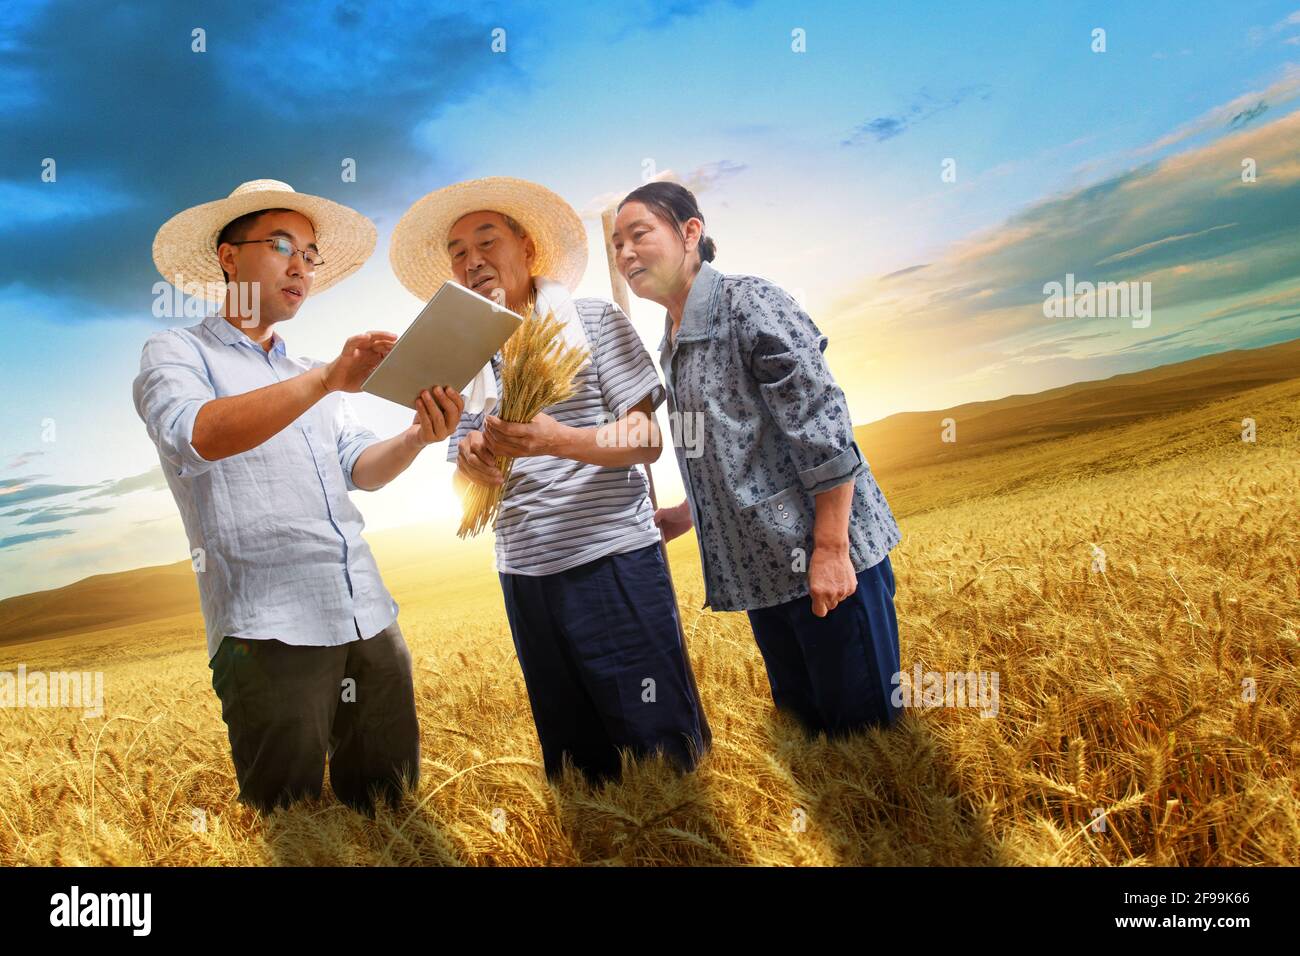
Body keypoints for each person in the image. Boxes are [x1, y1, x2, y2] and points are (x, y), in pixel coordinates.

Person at [134, 179, 464, 814]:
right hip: (268, 629)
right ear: (228, 257)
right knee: (294, 826)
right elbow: (195, 436)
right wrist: (325, 379)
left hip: (367, 614)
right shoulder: (175, 351)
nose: (300, 266)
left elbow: (361, 469)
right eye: (281, 245)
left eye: (310, 254)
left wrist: (419, 435)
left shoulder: (310, 374)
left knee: (393, 814)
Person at [388, 176, 711, 784]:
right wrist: (472, 464)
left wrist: (554, 439)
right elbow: (462, 479)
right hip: (524, 576)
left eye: (487, 241)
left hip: (611, 560)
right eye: (458, 252)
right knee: (577, 764)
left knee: (660, 750)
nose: (472, 260)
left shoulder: (592, 320)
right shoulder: (460, 355)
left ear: (528, 248)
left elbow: (646, 439)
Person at [612, 180, 904, 738]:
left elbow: (824, 429)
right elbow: (734, 450)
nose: (625, 253)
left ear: (690, 232)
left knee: (869, 743)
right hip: (762, 578)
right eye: (616, 245)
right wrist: (685, 513)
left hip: (823, 572)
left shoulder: (749, 303)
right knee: (817, 746)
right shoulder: (671, 340)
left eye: (639, 234)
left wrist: (831, 551)